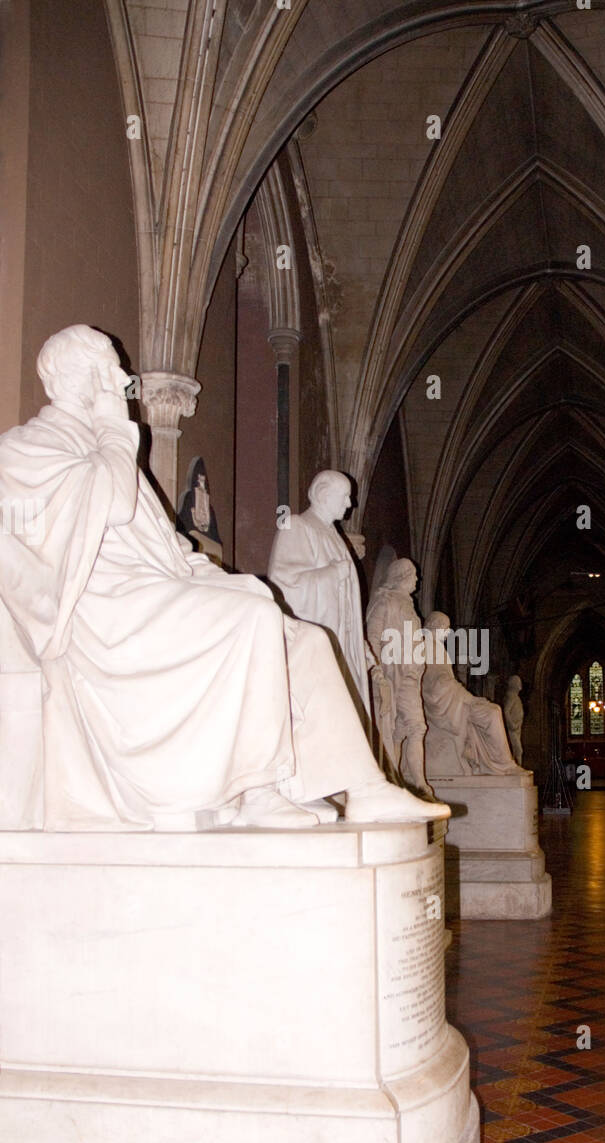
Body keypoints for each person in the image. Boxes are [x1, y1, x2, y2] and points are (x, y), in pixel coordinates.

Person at [0, 325, 448, 831]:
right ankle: (255, 788)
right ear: (73, 377)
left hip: (154, 597)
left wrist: (218, 578)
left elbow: (170, 550)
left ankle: (363, 787)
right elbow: (110, 504)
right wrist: (114, 431)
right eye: (108, 368)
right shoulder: (27, 450)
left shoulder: (109, 450)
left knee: (304, 639)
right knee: (252, 617)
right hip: (105, 613)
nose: (122, 379)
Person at [268, 470, 369, 714]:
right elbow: (284, 584)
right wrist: (332, 574)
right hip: (317, 646)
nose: (349, 503)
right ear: (324, 495)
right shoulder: (297, 525)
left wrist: (356, 641)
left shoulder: (334, 536)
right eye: (344, 496)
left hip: (342, 643)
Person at [422, 611, 519, 776]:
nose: (447, 633)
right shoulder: (425, 648)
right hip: (446, 706)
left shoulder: (436, 649)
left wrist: (467, 698)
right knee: (492, 713)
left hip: (455, 701)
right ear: (433, 626)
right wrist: (469, 699)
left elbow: (445, 682)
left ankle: (501, 765)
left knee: (493, 711)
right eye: (444, 628)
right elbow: (436, 685)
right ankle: (503, 766)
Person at [366, 558, 431, 795]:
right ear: (402, 577)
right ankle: (396, 779)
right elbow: (372, 637)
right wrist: (377, 671)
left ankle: (417, 782)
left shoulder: (408, 605)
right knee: (396, 727)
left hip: (411, 676)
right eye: (413, 575)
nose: (417, 579)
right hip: (392, 673)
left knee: (415, 727)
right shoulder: (384, 602)